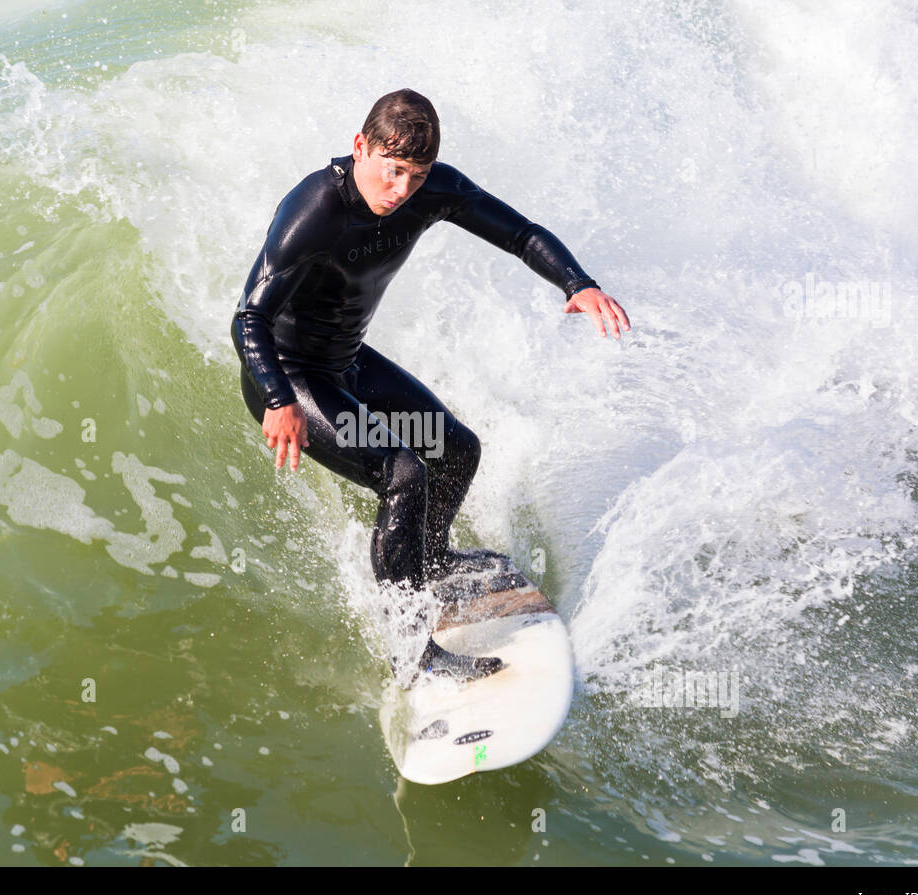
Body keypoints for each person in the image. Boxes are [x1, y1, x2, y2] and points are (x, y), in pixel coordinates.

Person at [232, 89, 630, 680]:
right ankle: (413, 650)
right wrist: (276, 398)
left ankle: (432, 563)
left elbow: (520, 234)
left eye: (416, 177)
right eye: (392, 172)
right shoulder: (313, 212)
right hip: (291, 376)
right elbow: (249, 318)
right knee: (403, 470)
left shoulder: (432, 190)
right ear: (359, 147)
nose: (401, 191)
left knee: (455, 449)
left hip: (347, 363)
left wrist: (577, 282)